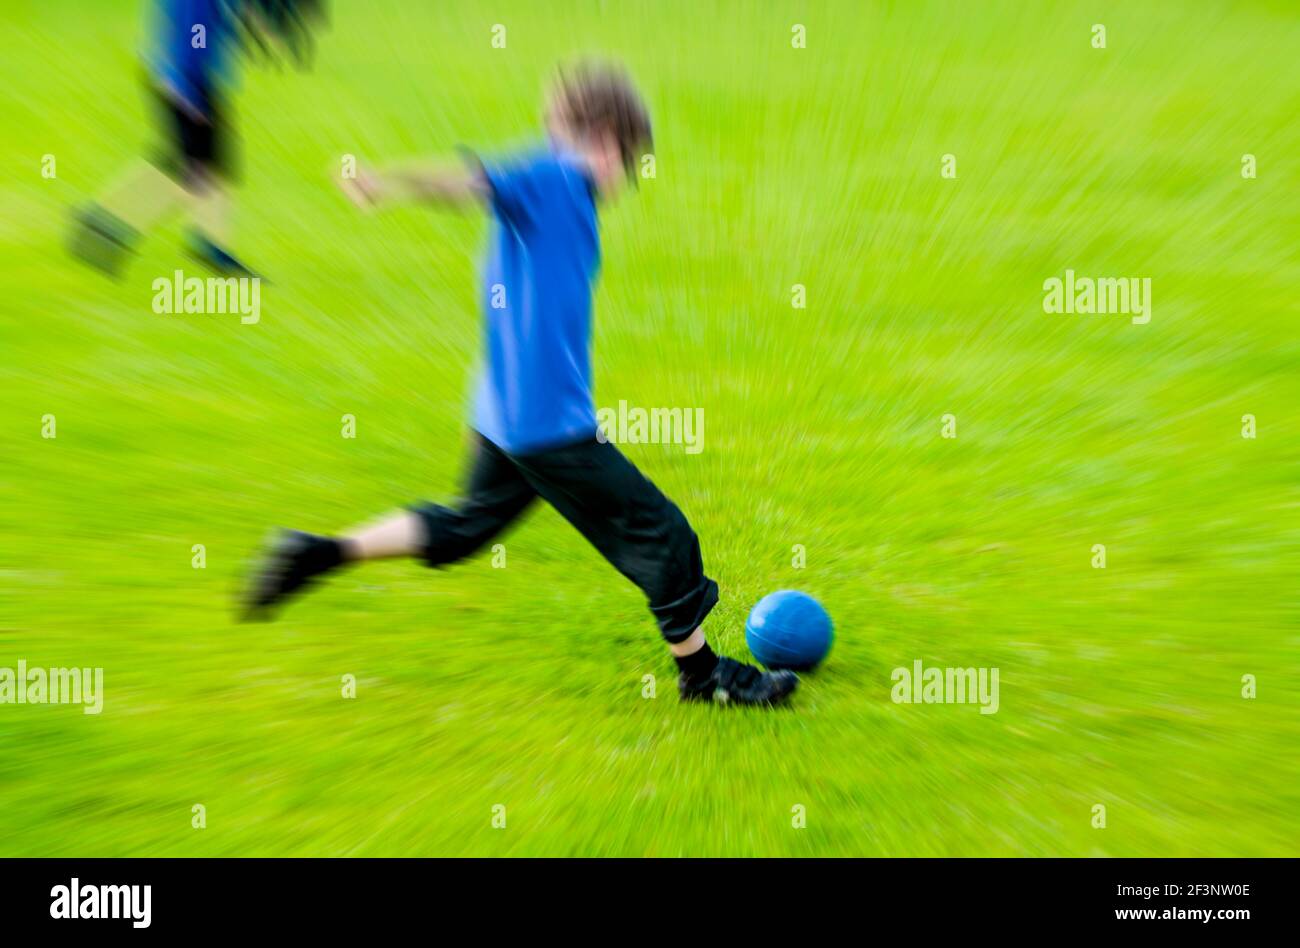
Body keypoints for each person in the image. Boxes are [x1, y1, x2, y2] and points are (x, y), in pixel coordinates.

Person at [243, 62, 798, 707]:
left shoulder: (560, 191)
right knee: (664, 536)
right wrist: (387, 184)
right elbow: (473, 181)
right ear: (602, 139)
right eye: (629, 157)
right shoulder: (558, 175)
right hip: (548, 426)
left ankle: (321, 552)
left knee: (467, 526)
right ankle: (706, 680)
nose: (627, 177)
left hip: (499, 415)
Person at [69, 0, 325, 278]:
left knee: (206, 166)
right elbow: (194, 34)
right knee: (191, 169)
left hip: (185, 78)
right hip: (185, 83)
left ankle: (207, 243)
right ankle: (106, 223)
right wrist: (189, 93)